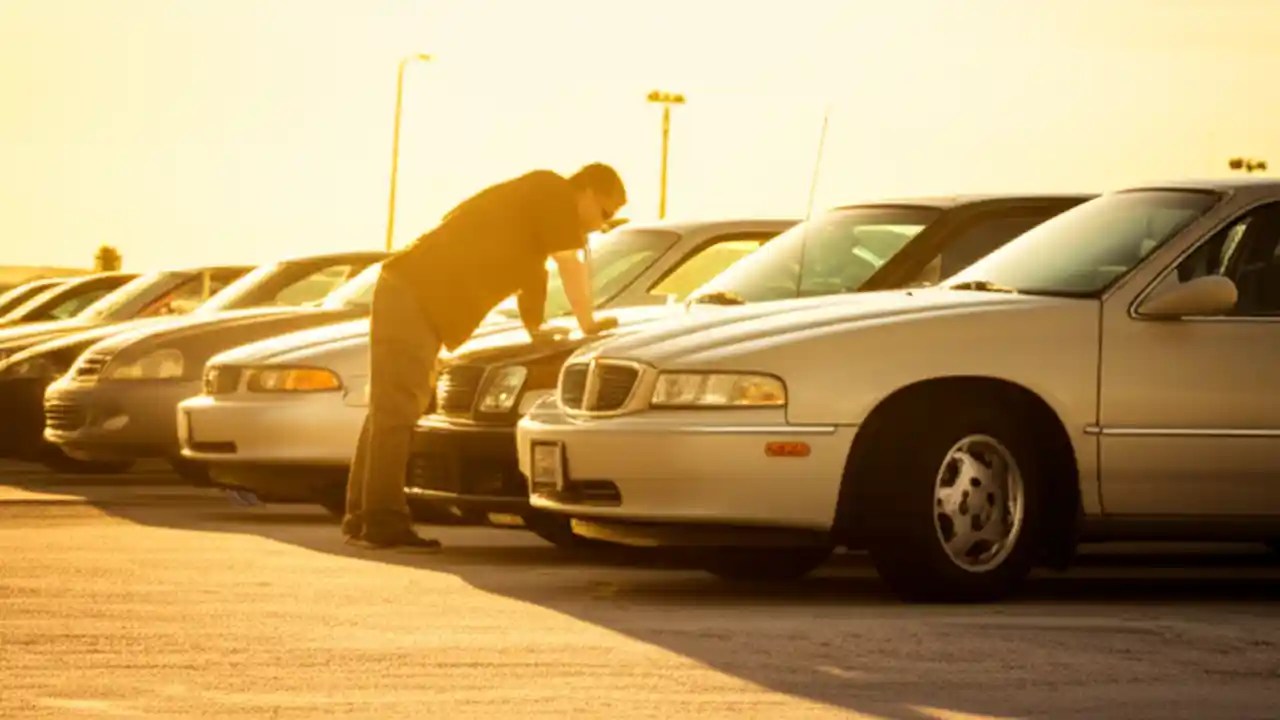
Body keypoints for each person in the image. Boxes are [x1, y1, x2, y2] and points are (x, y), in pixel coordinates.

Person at [342, 163, 627, 550]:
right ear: (588, 191)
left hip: (409, 294)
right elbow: (569, 262)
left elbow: (533, 281)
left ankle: (363, 518)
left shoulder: (536, 214)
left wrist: (535, 330)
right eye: (604, 213)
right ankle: (382, 522)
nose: (599, 226)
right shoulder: (553, 191)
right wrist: (588, 323)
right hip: (413, 296)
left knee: (388, 409)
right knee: (397, 410)